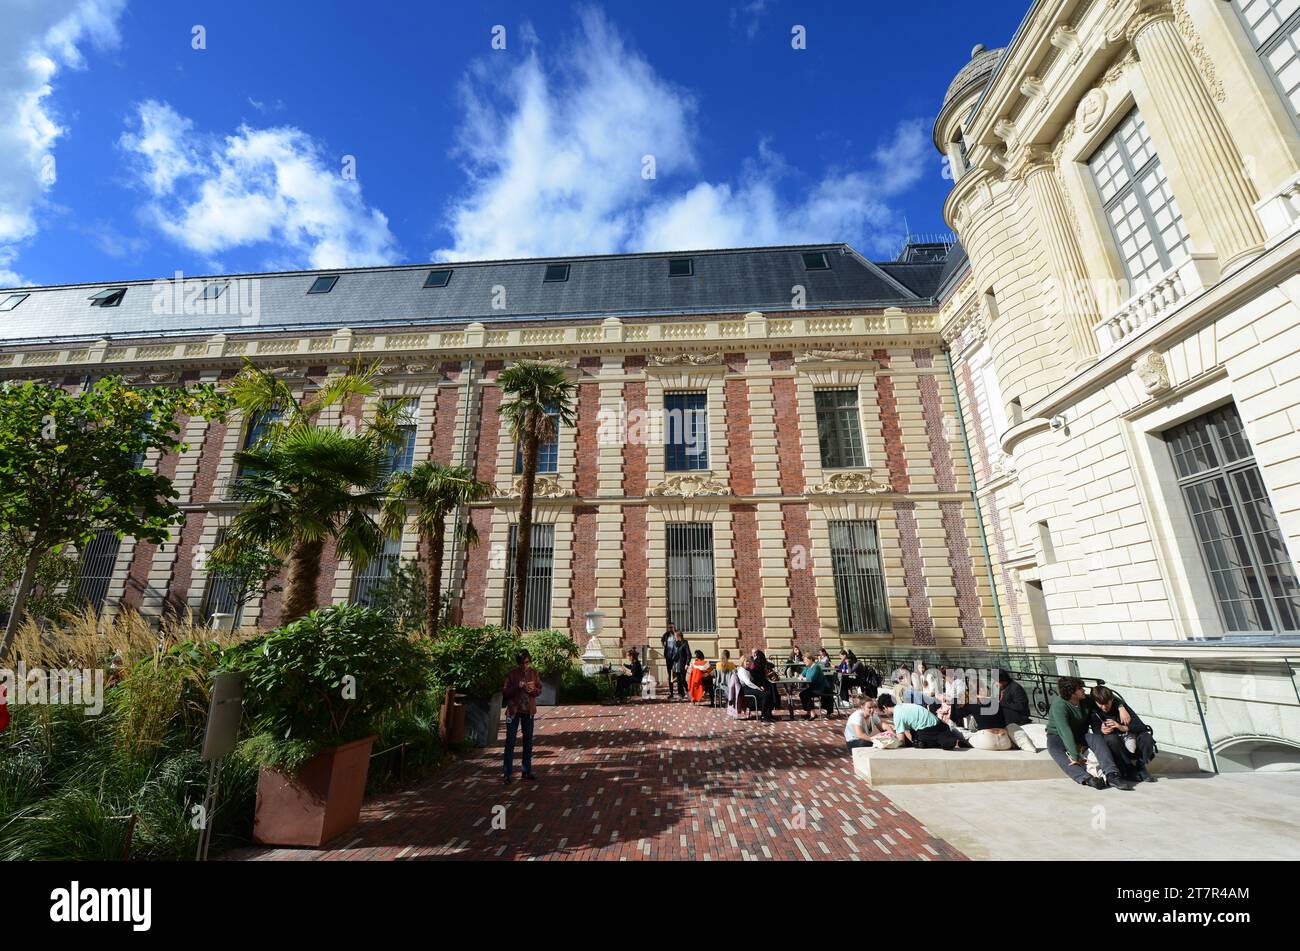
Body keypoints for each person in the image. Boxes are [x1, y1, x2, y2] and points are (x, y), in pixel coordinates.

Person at [1045, 677, 1135, 791]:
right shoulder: (1059, 705)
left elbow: (1108, 698)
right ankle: (1088, 779)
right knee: (1056, 752)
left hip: (1080, 734)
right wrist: (1075, 755)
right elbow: (1065, 730)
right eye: (1080, 688)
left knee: (1096, 739)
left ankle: (1112, 775)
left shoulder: (1085, 699)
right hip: (1057, 736)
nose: (1083, 690)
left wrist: (1121, 707)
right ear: (1071, 693)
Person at [1089, 685, 1157, 782]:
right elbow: (1096, 732)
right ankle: (1129, 769)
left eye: (1107, 703)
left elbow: (1142, 727)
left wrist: (1122, 727)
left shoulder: (1121, 708)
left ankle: (1141, 766)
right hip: (1117, 749)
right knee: (1110, 739)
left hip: (1131, 742)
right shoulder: (1095, 712)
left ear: (1112, 699)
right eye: (1100, 704)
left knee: (1146, 737)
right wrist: (1102, 731)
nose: (1104, 707)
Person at [502, 649, 542, 784]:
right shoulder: (512, 675)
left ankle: (526, 770)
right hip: (514, 711)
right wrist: (517, 687)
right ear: (519, 663)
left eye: (528, 662)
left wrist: (533, 690)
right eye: (523, 663)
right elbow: (505, 693)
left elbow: (539, 690)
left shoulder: (534, 673)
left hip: (528, 711)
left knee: (528, 742)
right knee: (510, 742)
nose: (526, 665)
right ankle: (507, 773)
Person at [877, 694, 962, 749]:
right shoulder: (904, 705)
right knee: (915, 736)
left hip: (928, 730)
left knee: (920, 743)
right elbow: (908, 730)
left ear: (884, 707)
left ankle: (950, 740)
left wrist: (889, 743)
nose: (885, 713)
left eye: (883, 711)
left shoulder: (897, 714)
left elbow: (901, 740)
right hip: (938, 723)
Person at [996, 669, 1037, 752]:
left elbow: (1021, 706)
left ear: (1003, 680)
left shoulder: (1015, 688)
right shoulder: (1003, 688)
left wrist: (1003, 703)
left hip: (1018, 716)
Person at [736, 655, 776, 721]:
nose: (748, 663)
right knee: (765, 695)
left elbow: (752, 681)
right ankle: (764, 716)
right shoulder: (741, 670)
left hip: (749, 687)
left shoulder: (746, 669)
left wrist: (759, 686)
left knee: (769, 694)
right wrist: (758, 688)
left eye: (749, 661)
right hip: (745, 689)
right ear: (742, 662)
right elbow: (748, 682)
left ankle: (769, 714)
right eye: (746, 661)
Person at [798, 652, 834, 719]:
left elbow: (811, 678)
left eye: (806, 660)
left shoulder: (816, 667)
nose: (804, 662)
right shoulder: (807, 667)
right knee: (802, 694)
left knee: (805, 694)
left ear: (811, 659)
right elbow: (802, 674)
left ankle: (812, 714)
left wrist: (803, 678)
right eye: (804, 660)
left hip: (820, 688)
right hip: (813, 688)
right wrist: (802, 676)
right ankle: (809, 712)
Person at [671, 630, 691, 700]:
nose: (674, 637)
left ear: (679, 636)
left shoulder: (685, 643)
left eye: (675, 636)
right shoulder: (675, 643)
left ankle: (688, 692)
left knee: (683, 680)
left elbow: (689, 655)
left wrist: (687, 663)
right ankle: (681, 695)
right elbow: (673, 653)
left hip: (683, 664)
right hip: (676, 664)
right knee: (679, 681)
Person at [660, 622, 679, 698]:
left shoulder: (677, 634)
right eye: (669, 627)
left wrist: (675, 633)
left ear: (674, 627)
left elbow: (680, 642)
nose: (670, 629)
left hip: (677, 658)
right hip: (669, 658)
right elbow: (662, 640)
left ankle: (680, 692)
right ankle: (671, 693)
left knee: (678, 675)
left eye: (671, 627)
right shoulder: (666, 634)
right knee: (670, 675)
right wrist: (663, 644)